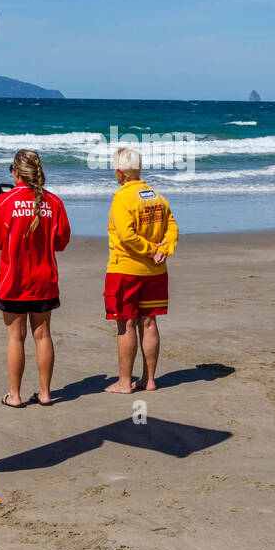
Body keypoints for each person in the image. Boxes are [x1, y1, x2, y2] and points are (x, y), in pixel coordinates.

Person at [0, 149, 71, 408]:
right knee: (43, 335)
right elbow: (61, 242)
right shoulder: (54, 202)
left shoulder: (5, 201)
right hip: (44, 279)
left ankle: (14, 395)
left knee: (16, 337)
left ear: (15, 172)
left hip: (13, 280)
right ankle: (45, 393)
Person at [103, 148, 178, 394]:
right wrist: (163, 248)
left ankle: (125, 382)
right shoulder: (155, 195)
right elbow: (172, 225)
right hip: (155, 271)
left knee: (126, 324)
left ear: (119, 172)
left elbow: (126, 235)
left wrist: (150, 249)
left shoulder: (122, 197)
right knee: (149, 323)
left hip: (126, 269)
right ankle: (149, 379)